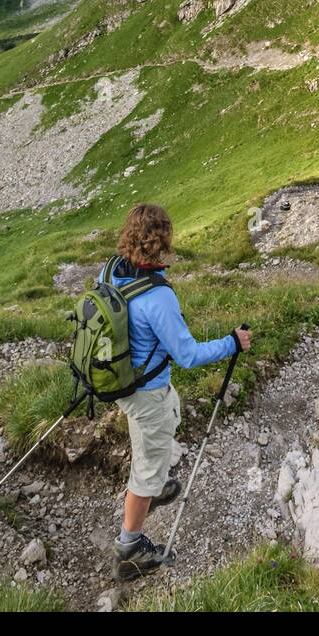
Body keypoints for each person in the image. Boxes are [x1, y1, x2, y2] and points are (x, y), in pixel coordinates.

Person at [103, 203, 252, 579]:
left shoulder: (112, 271)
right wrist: (231, 343)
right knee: (146, 470)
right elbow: (186, 355)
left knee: (166, 422)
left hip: (125, 384)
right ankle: (130, 548)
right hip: (146, 393)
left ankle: (150, 492)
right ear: (164, 239)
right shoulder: (158, 297)